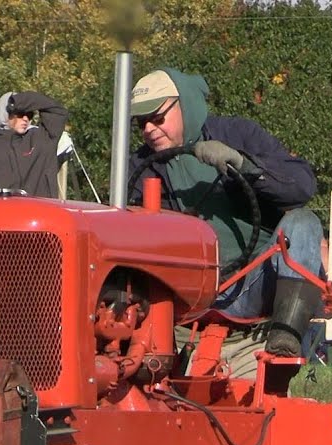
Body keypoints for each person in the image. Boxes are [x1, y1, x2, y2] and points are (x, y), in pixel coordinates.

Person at [128, 68, 321, 365]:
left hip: (253, 283)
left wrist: (245, 165)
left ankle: (285, 337)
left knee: (304, 222)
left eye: (157, 118)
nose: (149, 129)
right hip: (187, 299)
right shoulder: (141, 166)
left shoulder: (238, 134)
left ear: (185, 105)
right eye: (141, 123)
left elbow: (302, 186)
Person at [0, 90, 68, 198]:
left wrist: (21, 100)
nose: (26, 119)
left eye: (29, 114)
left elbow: (58, 112)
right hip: (3, 213)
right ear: (6, 113)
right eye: (20, 113)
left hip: (39, 212)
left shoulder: (41, 140)